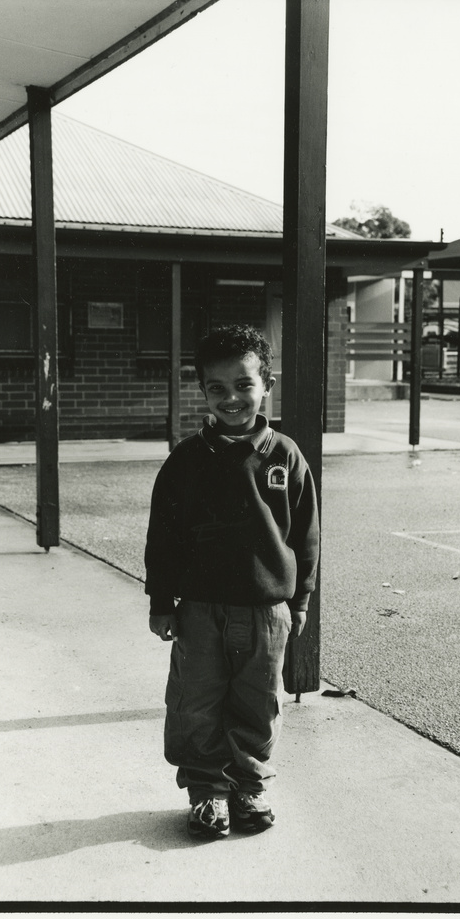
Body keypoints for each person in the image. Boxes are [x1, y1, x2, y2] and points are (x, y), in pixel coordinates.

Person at [145, 323, 320, 839]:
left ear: (267, 384)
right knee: (195, 703)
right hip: (199, 609)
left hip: (267, 612)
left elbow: (306, 537)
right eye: (217, 388)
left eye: (244, 384)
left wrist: (301, 600)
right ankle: (206, 793)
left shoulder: (285, 457)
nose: (232, 398)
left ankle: (247, 787)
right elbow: (164, 537)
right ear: (203, 391)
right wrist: (162, 600)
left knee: (258, 703)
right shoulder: (185, 461)